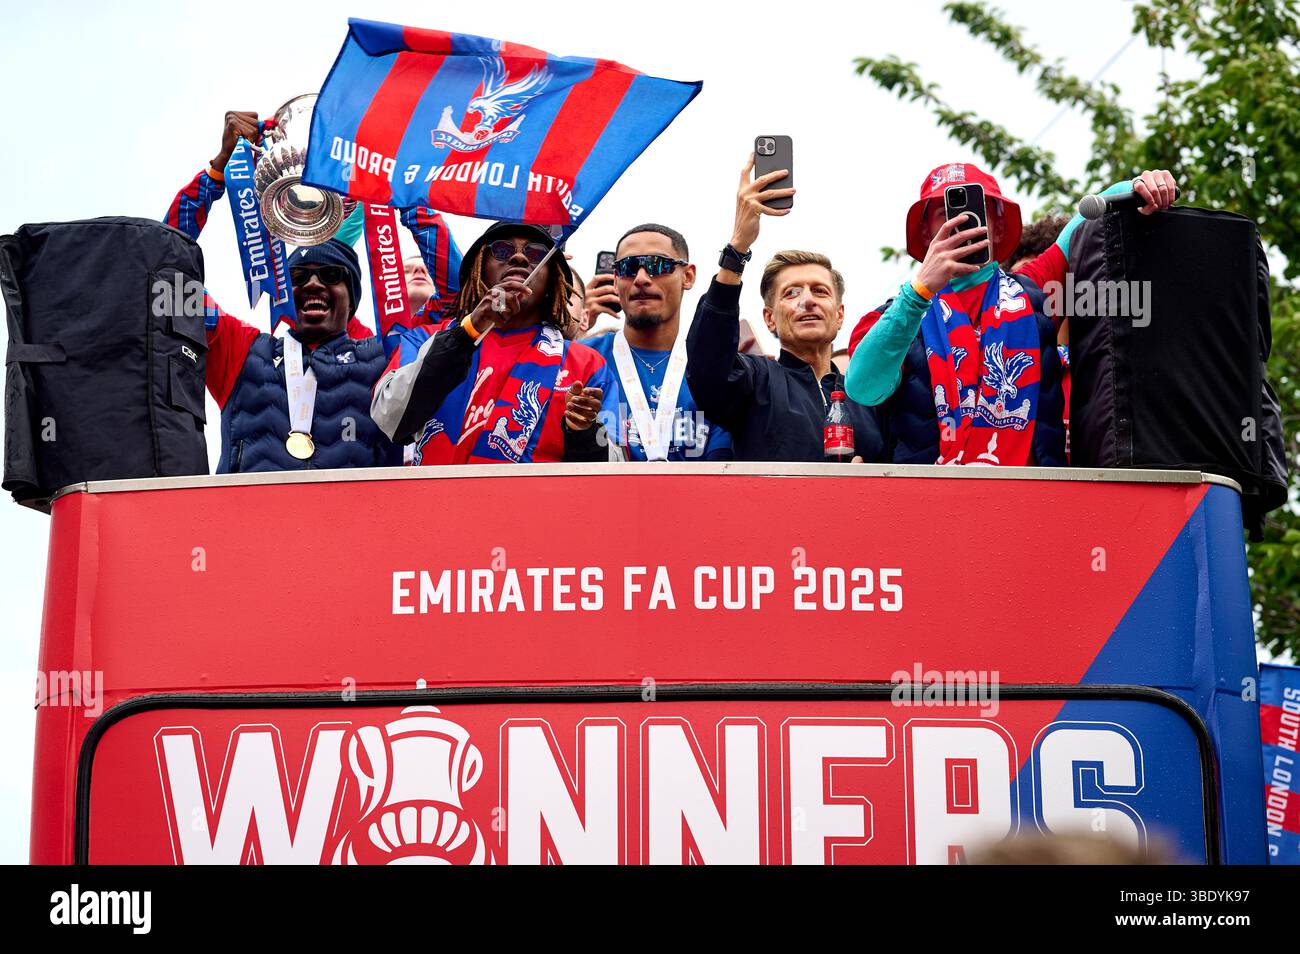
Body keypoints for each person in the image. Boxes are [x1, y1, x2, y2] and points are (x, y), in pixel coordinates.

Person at [844, 163, 1177, 466]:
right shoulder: (894, 316)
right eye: (943, 213)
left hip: (1031, 510)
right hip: (931, 513)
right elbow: (862, 388)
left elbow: (1097, 213)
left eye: (975, 210)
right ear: (927, 234)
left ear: (999, 228)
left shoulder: (1036, 287)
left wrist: (1145, 183)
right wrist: (918, 294)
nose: (959, 221)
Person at [162, 111, 411, 472]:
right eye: (298, 276)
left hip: (354, 527)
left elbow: (454, 308)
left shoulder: (386, 355)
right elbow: (165, 273)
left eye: (330, 274)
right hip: (251, 526)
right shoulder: (242, 349)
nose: (312, 283)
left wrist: (400, 188)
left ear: (352, 296)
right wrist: (217, 173)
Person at [685, 158, 887, 462]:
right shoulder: (754, 381)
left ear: (840, 314)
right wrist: (738, 248)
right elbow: (707, 365)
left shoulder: (868, 394)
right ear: (769, 319)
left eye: (820, 291)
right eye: (791, 293)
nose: (807, 301)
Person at [370, 223, 617, 464]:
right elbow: (389, 418)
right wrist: (467, 331)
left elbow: (617, 469)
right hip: (437, 503)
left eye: (535, 253)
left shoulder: (588, 363)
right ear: (478, 267)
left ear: (553, 277)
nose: (519, 258)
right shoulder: (422, 339)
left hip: (538, 504)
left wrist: (583, 432)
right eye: (502, 250)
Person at [583, 224, 732, 461]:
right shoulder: (580, 360)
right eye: (628, 268)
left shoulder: (717, 369)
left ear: (688, 276)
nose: (641, 278)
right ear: (615, 281)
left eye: (657, 265)